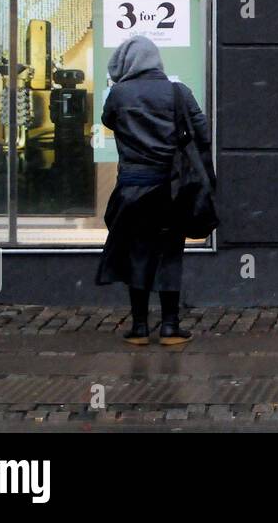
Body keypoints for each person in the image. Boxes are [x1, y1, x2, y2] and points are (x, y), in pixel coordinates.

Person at [95, 35, 212, 346]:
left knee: (137, 252)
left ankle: (139, 327)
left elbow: (107, 120)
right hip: (171, 189)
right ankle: (171, 326)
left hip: (133, 187)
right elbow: (203, 133)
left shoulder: (118, 94)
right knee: (170, 251)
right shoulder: (178, 92)